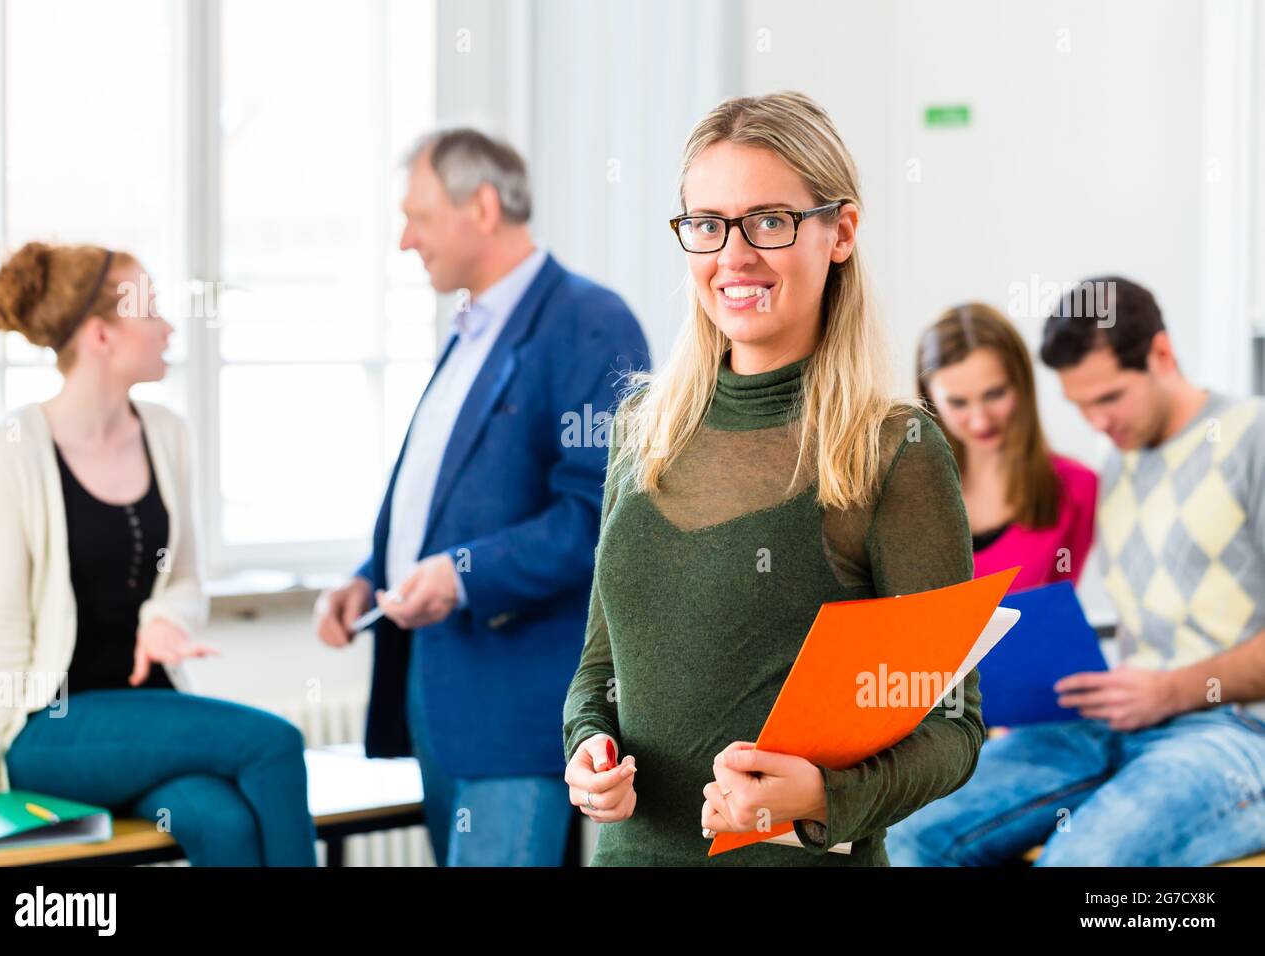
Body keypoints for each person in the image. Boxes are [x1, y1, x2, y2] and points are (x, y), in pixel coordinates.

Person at [561, 91, 983, 866]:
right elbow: (600, 667)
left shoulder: (894, 449)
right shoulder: (641, 432)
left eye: (770, 221)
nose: (734, 255)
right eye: (706, 224)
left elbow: (951, 727)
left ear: (841, 231)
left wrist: (827, 797)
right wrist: (589, 749)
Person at [313, 129, 649, 866]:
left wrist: (462, 573)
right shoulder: (471, 327)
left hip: (521, 705)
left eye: (420, 217)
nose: (406, 240)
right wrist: (369, 576)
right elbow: (439, 492)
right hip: (438, 692)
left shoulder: (590, 323)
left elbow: (599, 516)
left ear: (484, 207)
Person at [887, 277, 1265, 866]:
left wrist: (1167, 691)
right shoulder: (1120, 461)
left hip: (1230, 731)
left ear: (1162, 356)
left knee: (1079, 860)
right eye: (1079, 405)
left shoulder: (1252, 438)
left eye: (1109, 397)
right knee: (907, 838)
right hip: (1110, 722)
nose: (1095, 422)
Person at [0, 242, 317, 866]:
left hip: (149, 712)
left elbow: (183, 581)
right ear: (100, 335)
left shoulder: (166, 433)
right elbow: (0, 624)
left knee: (224, 821)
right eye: (151, 310)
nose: (170, 327)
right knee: (274, 744)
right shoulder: (15, 450)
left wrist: (164, 619)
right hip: (53, 725)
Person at [917, 303, 1097, 592]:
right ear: (930, 398)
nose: (980, 421)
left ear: (1021, 384)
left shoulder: (1077, 490)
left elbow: (1054, 613)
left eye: (995, 394)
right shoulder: (903, 490)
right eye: (958, 402)